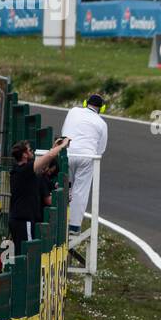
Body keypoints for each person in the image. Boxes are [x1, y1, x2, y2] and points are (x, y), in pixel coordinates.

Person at [8, 136, 69, 257]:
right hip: (23, 220)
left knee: (20, 254)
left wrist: (54, 147)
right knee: (28, 255)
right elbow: (48, 157)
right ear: (24, 155)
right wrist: (62, 146)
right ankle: (24, 276)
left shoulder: (22, 170)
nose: (32, 152)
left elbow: (45, 162)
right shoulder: (24, 170)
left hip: (18, 219)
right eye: (30, 150)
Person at [61, 94, 109, 232]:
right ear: (102, 108)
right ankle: (74, 225)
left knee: (64, 186)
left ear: (84, 103)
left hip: (68, 151)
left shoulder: (73, 111)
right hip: (87, 156)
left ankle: (58, 219)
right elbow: (101, 149)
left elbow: (65, 131)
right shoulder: (102, 123)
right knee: (80, 191)